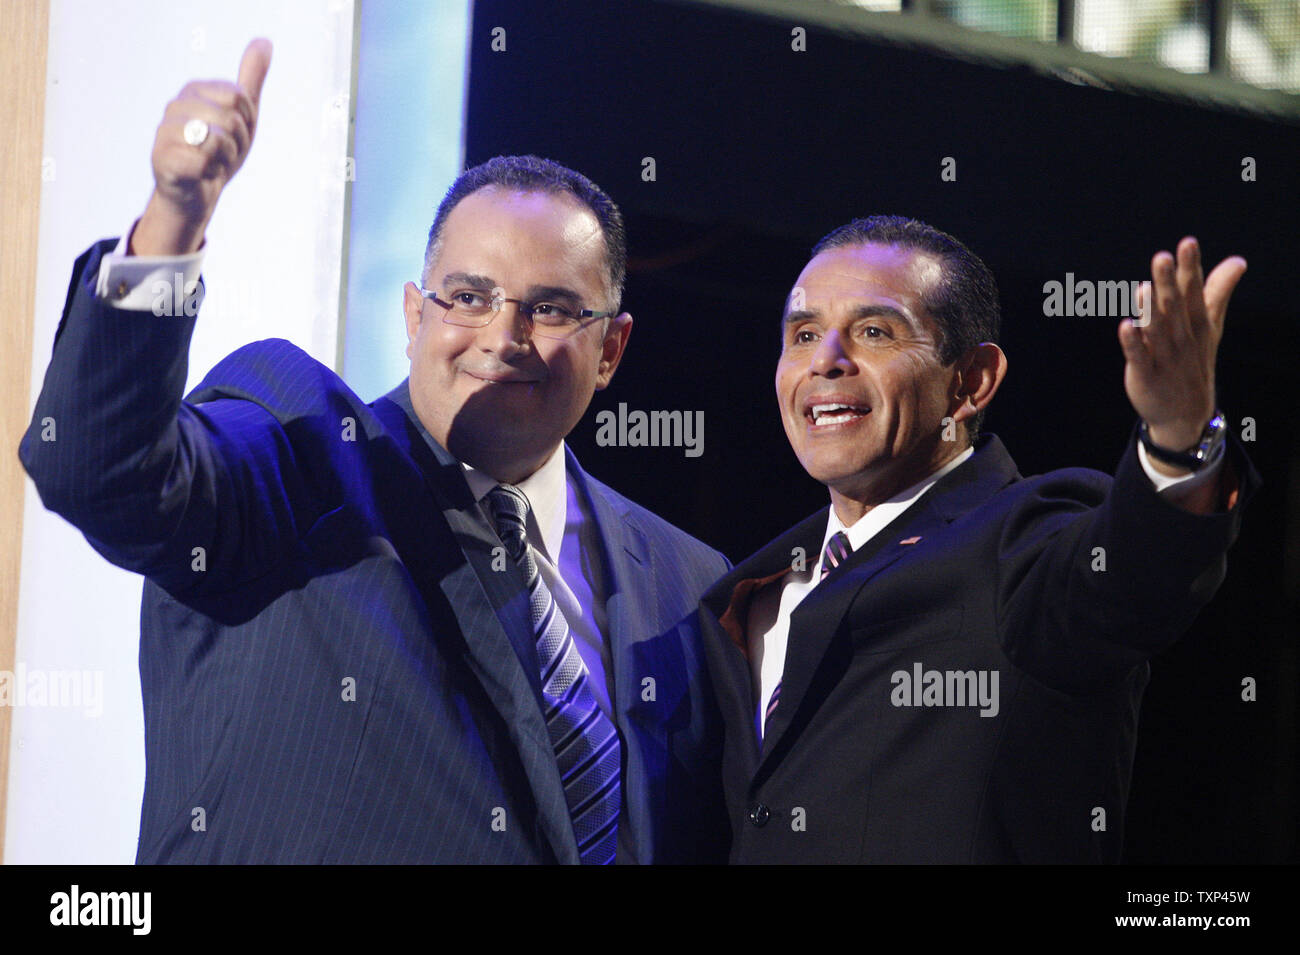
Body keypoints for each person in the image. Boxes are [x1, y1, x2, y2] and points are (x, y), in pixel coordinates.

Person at [20, 39, 729, 864]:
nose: (503, 336)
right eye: (468, 297)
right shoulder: (301, 448)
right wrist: (174, 217)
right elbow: (99, 472)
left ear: (611, 350)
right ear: (413, 315)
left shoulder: (688, 581)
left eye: (551, 309)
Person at [699, 214, 1259, 863]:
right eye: (802, 334)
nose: (825, 361)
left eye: (874, 331)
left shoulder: (1024, 543)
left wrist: (1180, 438)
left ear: (971, 381)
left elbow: (1139, 574)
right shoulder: (746, 591)